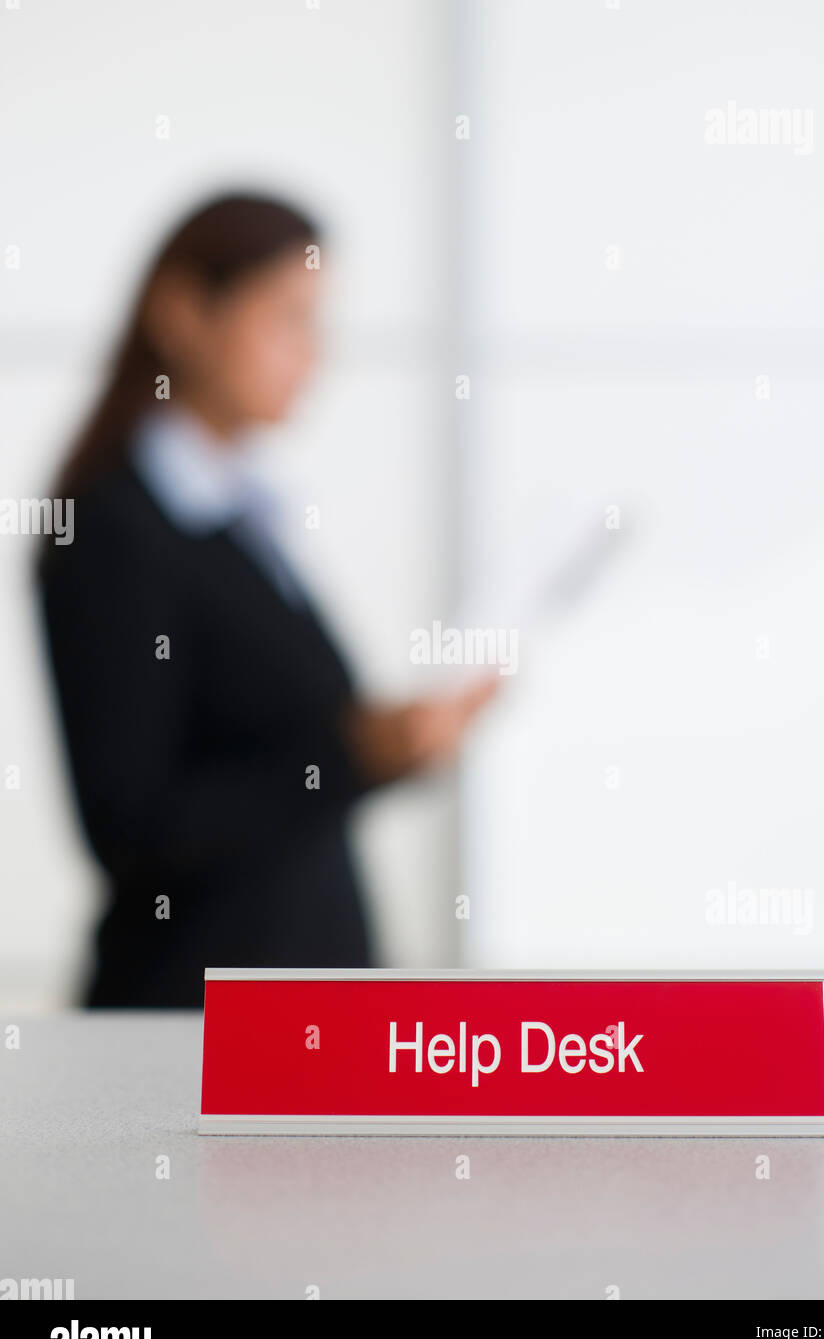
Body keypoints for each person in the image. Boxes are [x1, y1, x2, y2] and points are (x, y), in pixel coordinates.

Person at [36, 192, 497, 1008]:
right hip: (191, 1023)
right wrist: (358, 753)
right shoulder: (113, 530)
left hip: (300, 1014)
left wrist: (396, 743)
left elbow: (289, 756)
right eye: (289, 318)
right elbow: (133, 829)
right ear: (183, 312)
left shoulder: (240, 516)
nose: (314, 354)